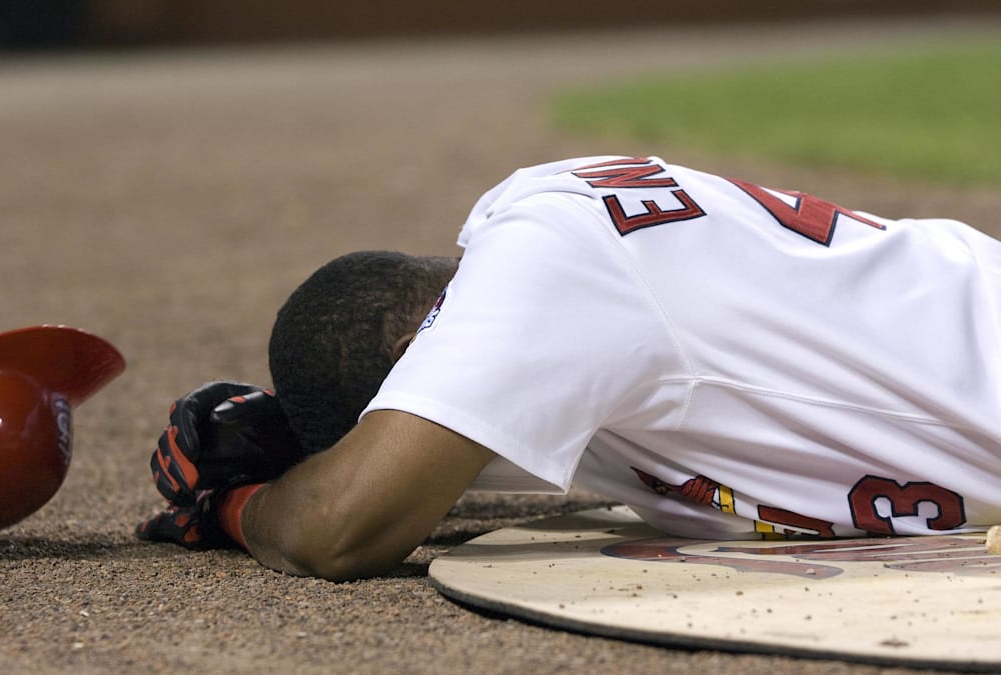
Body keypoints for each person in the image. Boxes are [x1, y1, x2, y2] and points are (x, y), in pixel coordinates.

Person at [137, 154, 1001, 581]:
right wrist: (292, 443)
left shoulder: (538, 275)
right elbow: (436, 457)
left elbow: (339, 525)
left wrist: (237, 505)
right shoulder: (546, 234)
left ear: (413, 359)